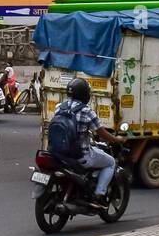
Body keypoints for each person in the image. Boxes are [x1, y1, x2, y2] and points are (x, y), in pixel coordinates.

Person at [51, 77, 123, 209]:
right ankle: (99, 194)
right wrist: (117, 139)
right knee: (111, 162)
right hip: (81, 156)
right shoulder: (86, 111)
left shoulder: (58, 107)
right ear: (85, 94)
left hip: (58, 153)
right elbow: (102, 134)